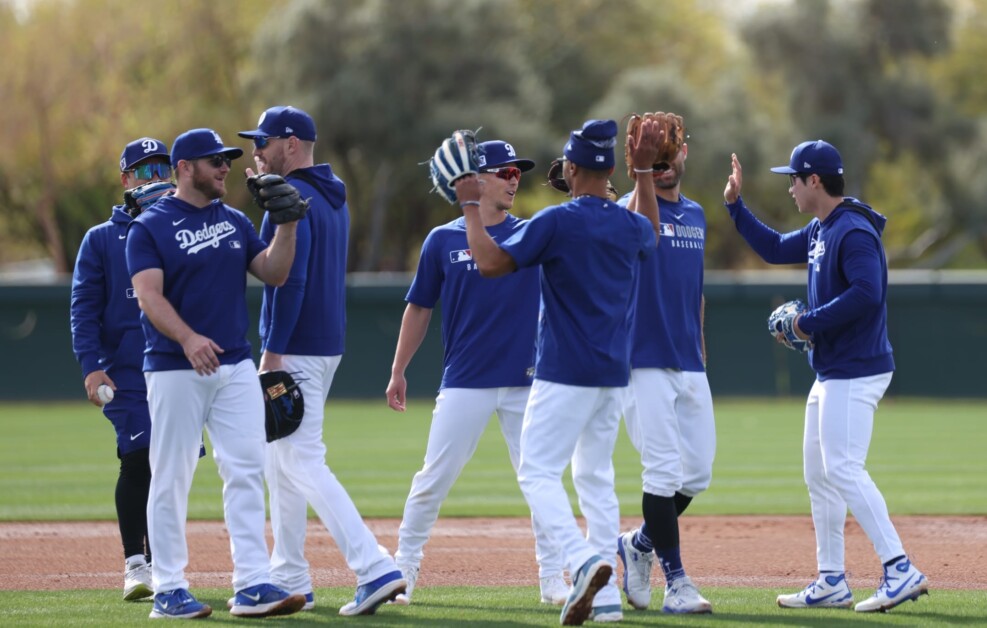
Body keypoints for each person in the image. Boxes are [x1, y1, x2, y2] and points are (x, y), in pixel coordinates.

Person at [452, 119, 661, 626]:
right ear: (609, 168)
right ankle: (606, 602)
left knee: (537, 471)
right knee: (595, 478)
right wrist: (645, 172)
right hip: (613, 374)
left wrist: (468, 203)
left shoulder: (557, 220)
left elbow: (490, 262)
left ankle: (581, 558)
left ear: (569, 169)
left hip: (564, 370)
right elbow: (652, 231)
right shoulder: (628, 223)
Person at [722, 140, 929, 613]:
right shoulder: (822, 228)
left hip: (857, 369)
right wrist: (735, 206)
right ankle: (832, 579)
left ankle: (899, 568)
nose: (790, 188)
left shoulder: (852, 230)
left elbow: (867, 294)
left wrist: (805, 323)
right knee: (819, 474)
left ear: (813, 180)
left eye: (792, 179)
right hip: (833, 369)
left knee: (843, 468)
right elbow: (774, 248)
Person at [125, 128, 306, 620]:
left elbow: (273, 272)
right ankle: (168, 589)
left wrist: (285, 225)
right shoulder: (151, 227)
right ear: (185, 168)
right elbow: (148, 296)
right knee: (172, 476)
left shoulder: (234, 220)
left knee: (246, 472)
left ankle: (251, 584)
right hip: (173, 369)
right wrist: (186, 338)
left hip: (235, 365)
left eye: (226, 159)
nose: (225, 167)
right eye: (213, 160)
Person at [236, 106, 406, 616]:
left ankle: (374, 565)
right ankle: (290, 575)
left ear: (291, 144)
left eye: (263, 141)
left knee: (300, 459)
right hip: (324, 342)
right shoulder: (332, 195)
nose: (255, 151)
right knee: (279, 462)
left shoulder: (290, 200)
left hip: (297, 346)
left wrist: (272, 353)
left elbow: (292, 280)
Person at [385, 140, 566, 607]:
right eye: (504, 171)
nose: (513, 179)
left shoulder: (530, 234)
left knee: (541, 480)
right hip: (466, 379)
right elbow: (419, 308)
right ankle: (403, 570)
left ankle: (552, 578)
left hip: (527, 381)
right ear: (475, 179)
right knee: (433, 478)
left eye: (517, 173)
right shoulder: (441, 240)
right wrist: (398, 369)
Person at [614, 114, 714, 614]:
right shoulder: (628, 209)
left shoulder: (696, 214)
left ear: (684, 155)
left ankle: (638, 546)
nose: (665, 165)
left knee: (696, 475)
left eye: (670, 156)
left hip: (687, 360)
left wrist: (700, 344)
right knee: (662, 470)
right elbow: (638, 227)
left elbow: (693, 291)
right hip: (643, 359)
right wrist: (640, 173)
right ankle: (677, 582)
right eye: (656, 158)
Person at [70, 137, 173, 602]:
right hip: (126, 373)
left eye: (162, 169)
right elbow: (83, 309)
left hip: (175, 369)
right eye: (145, 172)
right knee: (137, 460)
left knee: (169, 468)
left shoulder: (178, 227)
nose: (155, 180)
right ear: (126, 179)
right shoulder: (99, 239)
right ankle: (136, 564)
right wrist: (92, 368)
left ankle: (164, 561)